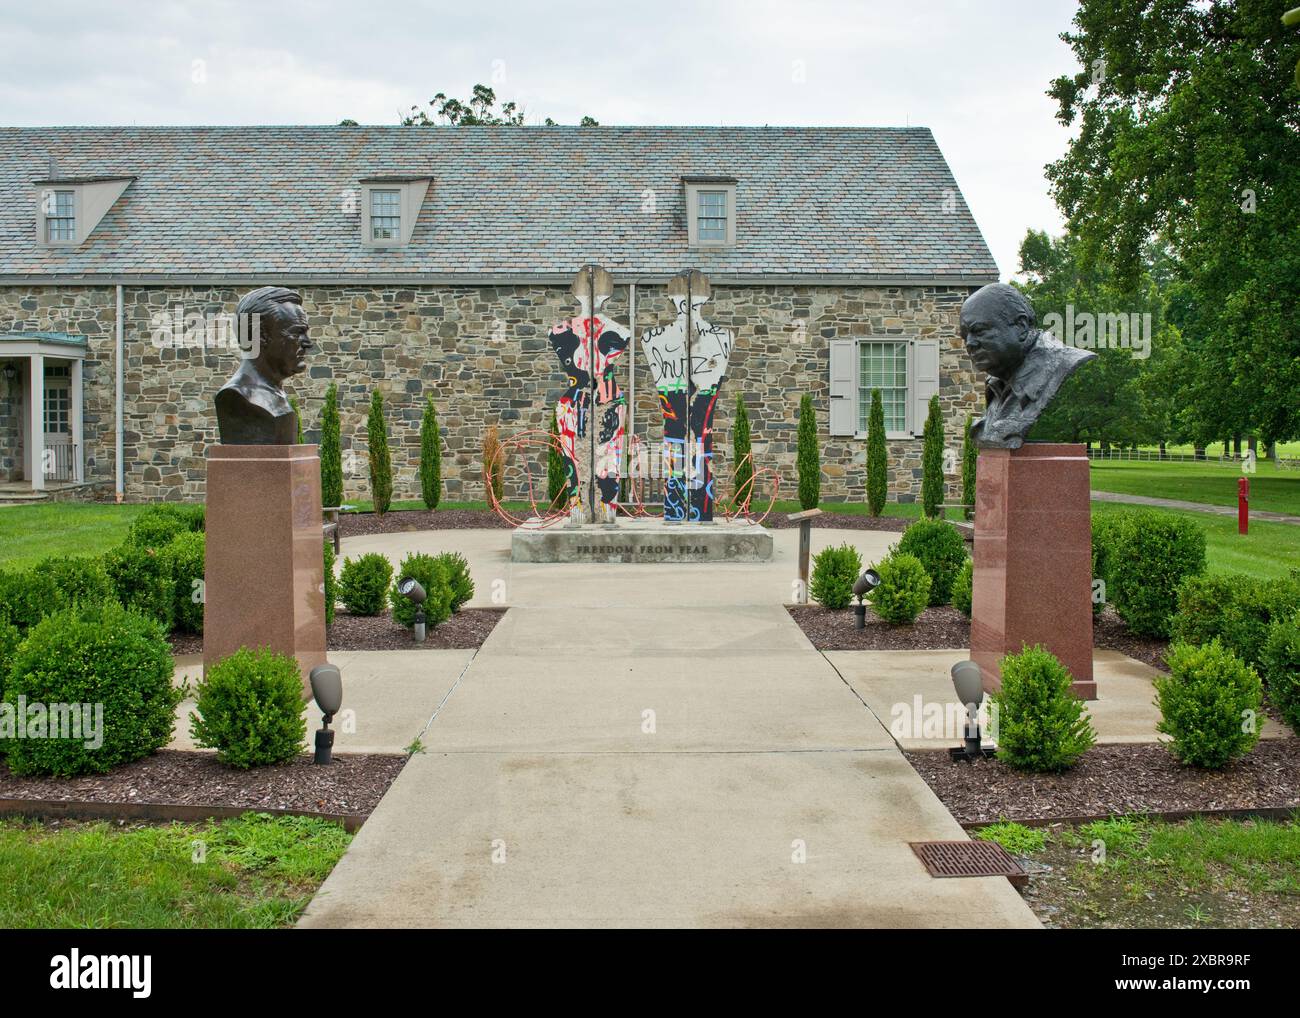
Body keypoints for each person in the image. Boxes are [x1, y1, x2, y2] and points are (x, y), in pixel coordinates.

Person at [961, 282, 1095, 449]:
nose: (970, 343)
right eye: (965, 336)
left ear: (1021, 326)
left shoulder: (1065, 368)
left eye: (979, 330)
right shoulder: (995, 386)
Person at [214, 286, 312, 445]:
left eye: (305, 333)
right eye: (296, 333)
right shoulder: (236, 397)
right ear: (260, 336)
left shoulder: (276, 395)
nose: (308, 343)